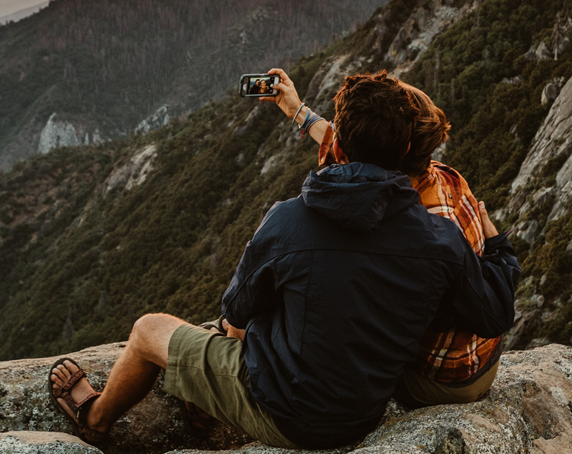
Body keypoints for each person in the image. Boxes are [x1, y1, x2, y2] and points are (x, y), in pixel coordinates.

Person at [49, 71, 520, 449]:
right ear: (408, 153)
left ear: (340, 148)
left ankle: (95, 418)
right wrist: (498, 248)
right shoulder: (440, 236)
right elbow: (493, 314)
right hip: (364, 411)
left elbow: (236, 313)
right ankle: (205, 402)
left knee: (150, 329)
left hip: (291, 416)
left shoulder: (289, 221)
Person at [261, 68, 506, 407]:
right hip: (480, 361)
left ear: (397, 147)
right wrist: (298, 111)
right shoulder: (444, 176)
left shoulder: (416, 221)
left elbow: (356, 157)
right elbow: (355, 150)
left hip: (439, 379)